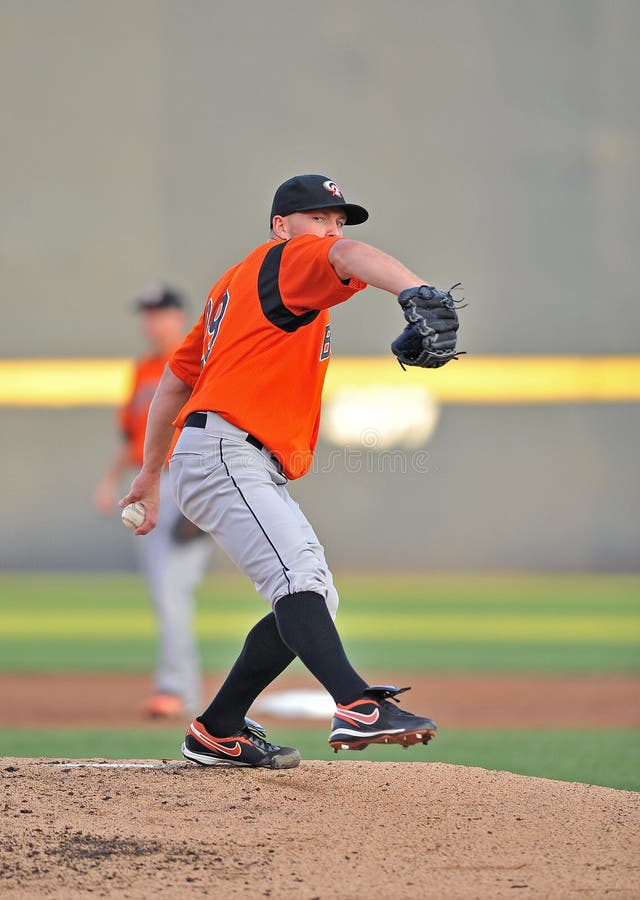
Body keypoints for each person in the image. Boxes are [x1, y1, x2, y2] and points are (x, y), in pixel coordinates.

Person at [121, 174, 440, 769]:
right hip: (227, 451)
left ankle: (218, 728)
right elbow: (350, 257)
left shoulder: (234, 288)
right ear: (281, 226)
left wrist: (150, 473)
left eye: (337, 221)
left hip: (224, 453)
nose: (331, 231)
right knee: (298, 577)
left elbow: (175, 383)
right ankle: (357, 705)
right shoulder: (289, 259)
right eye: (318, 218)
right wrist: (417, 290)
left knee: (314, 593)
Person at [94, 285, 211, 718]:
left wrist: (200, 500)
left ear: (179, 316)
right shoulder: (143, 369)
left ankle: (179, 691)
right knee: (166, 592)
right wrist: (110, 480)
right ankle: (180, 690)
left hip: (186, 479)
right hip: (147, 483)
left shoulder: (197, 360)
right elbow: (132, 436)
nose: (151, 321)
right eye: (146, 313)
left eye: (159, 312)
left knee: (171, 590)